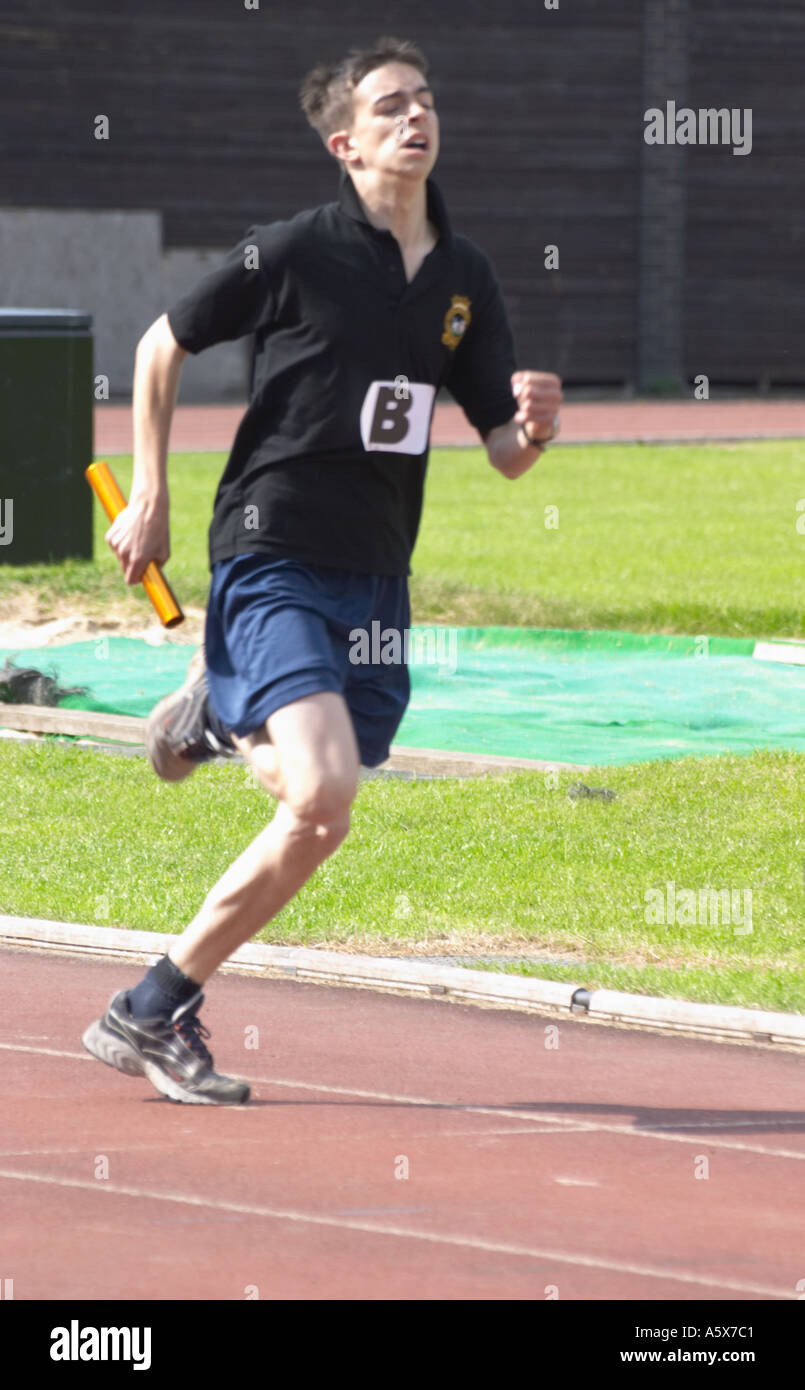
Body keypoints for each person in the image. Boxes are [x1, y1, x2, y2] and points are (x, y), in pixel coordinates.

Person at [81, 35, 563, 1105]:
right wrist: (152, 495)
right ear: (347, 145)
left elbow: (501, 451)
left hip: (377, 576)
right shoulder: (295, 249)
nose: (415, 118)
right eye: (390, 107)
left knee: (326, 797)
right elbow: (162, 343)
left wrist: (534, 426)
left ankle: (213, 726)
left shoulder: (464, 277)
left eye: (426, 101)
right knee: (325, 786)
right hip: (271, 544)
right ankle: (151, 1007)